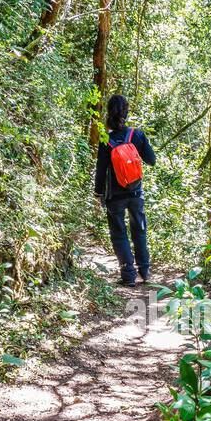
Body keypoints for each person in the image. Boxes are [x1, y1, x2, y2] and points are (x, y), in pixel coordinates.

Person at [94, 94, 156, 285]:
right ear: (126, 113)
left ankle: (128, 276)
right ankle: (144, 272)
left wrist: (98, 194)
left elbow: (101, 170)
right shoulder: (137, 135)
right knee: (140, 229)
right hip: (136, 193)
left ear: (109, 114)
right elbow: (152, 160)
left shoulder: (106, 140)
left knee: (119, 233)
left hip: (115, 196)